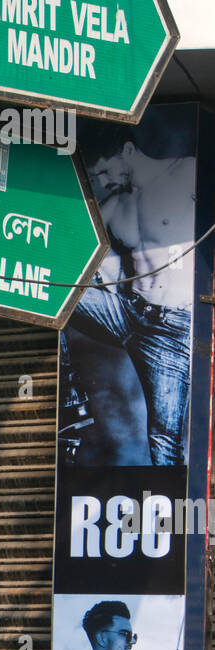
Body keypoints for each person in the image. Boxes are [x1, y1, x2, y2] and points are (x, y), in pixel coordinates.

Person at [65, 128, 194, 468]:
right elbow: (74, 248)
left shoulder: (185, 172)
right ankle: (69, 399)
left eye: (106, 169)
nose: (103, 180)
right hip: (125, 313)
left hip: (170, 331)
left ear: (128, 150)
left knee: (164, 440)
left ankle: (170, 515)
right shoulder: (115, 205)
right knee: (52, 293)